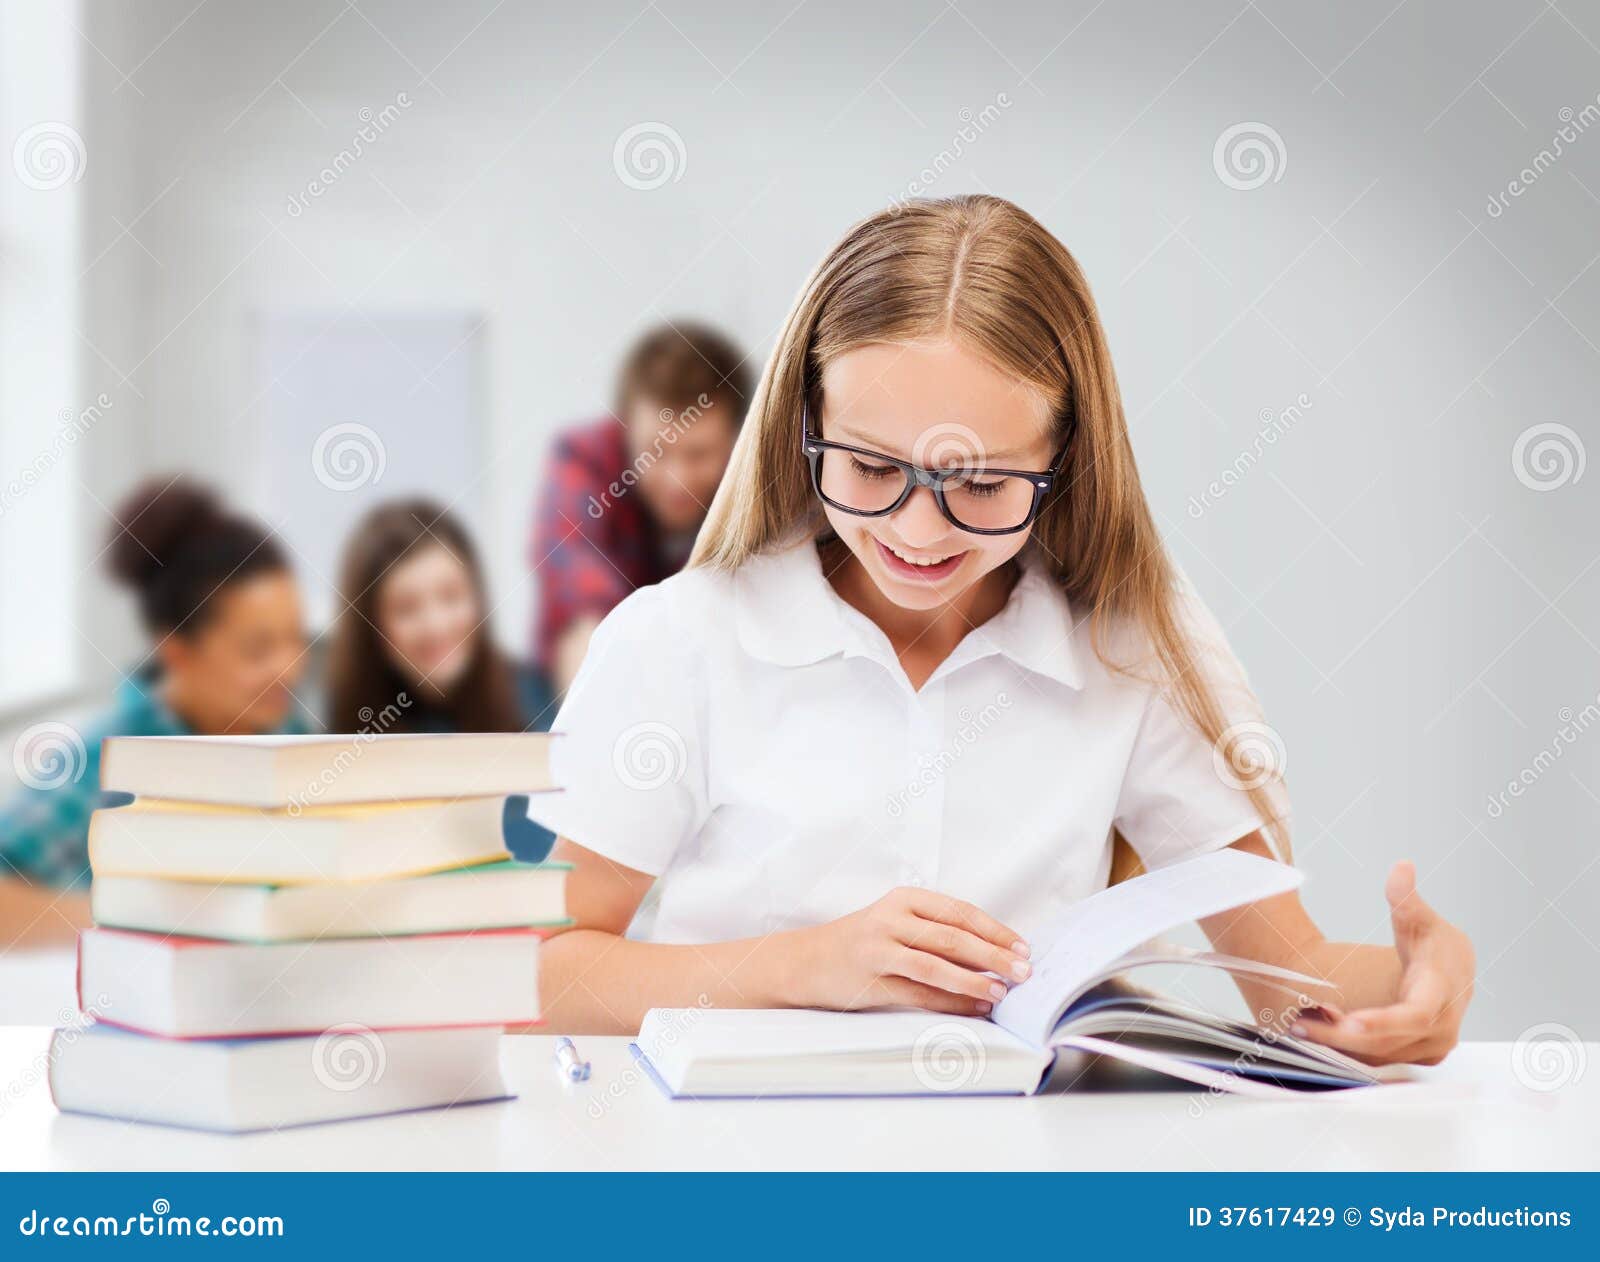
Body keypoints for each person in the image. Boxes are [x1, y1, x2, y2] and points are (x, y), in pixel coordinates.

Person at [531, 195, 1476, 1067]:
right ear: (804, 424)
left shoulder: (1128, 647)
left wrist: (1416, 984)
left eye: (982, 485)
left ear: (1066, 457)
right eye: (866, 466)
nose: (917, 531)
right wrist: (803, 966)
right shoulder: (681, 639)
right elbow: (539, 974)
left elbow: (1290, 979)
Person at [0, 479, 308, 947]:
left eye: (294, 638)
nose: (288, 668)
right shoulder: (109, 759)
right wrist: (129, 917)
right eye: (257, 649)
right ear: (176, 650)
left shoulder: (290, 728)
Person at [530, 321, 751, 693]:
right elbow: (575, 580)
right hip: (582, 676)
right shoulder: (582, 457)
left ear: (736, 440)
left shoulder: (757, 476)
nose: (676, 479)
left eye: (698, 454)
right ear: (625, 430)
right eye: (656, 451)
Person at [326, 499, 553, 859]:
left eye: (451, 596)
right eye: (406, 608)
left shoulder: (540, 704)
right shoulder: (342, 746)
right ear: (371, 628)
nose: (436, 625)